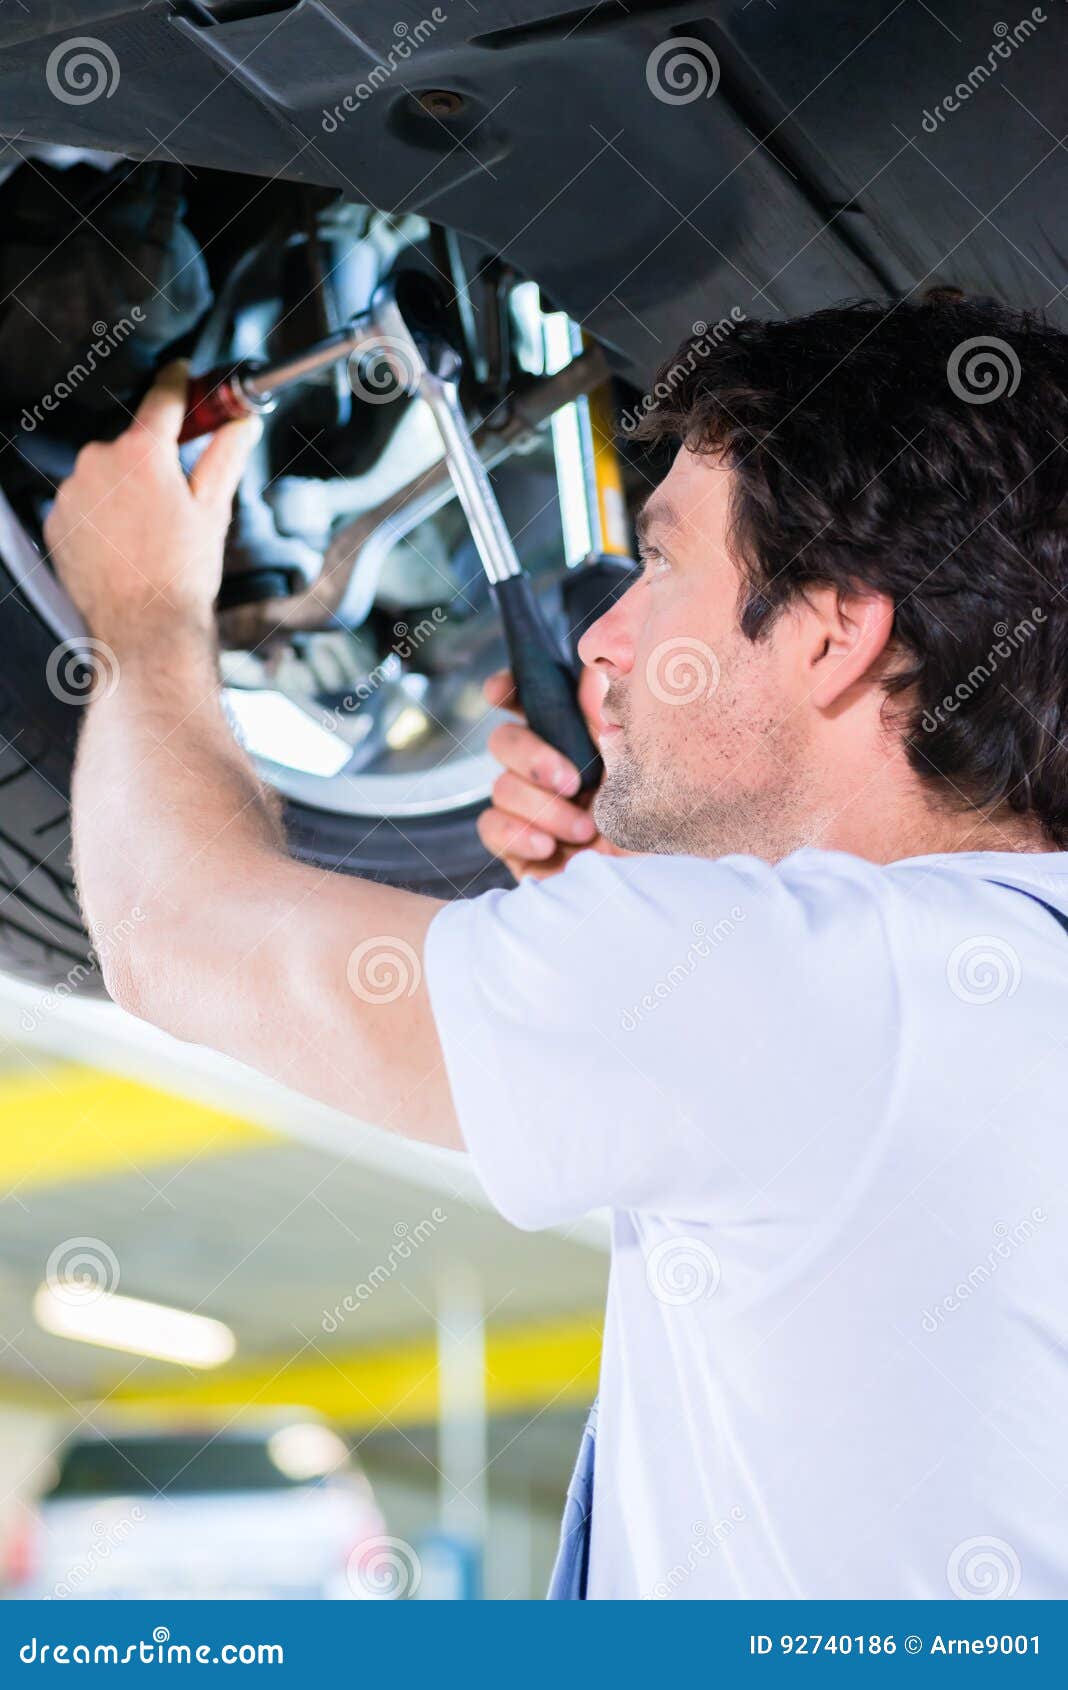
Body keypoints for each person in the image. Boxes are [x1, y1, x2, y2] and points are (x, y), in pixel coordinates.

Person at [45, 296, 1068, 1599]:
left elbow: (168, 929)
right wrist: (642, 918)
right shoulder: (979, 985)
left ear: (832, 631)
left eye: (663, 563)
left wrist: (142, 616)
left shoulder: (802, 996)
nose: (601, 636)